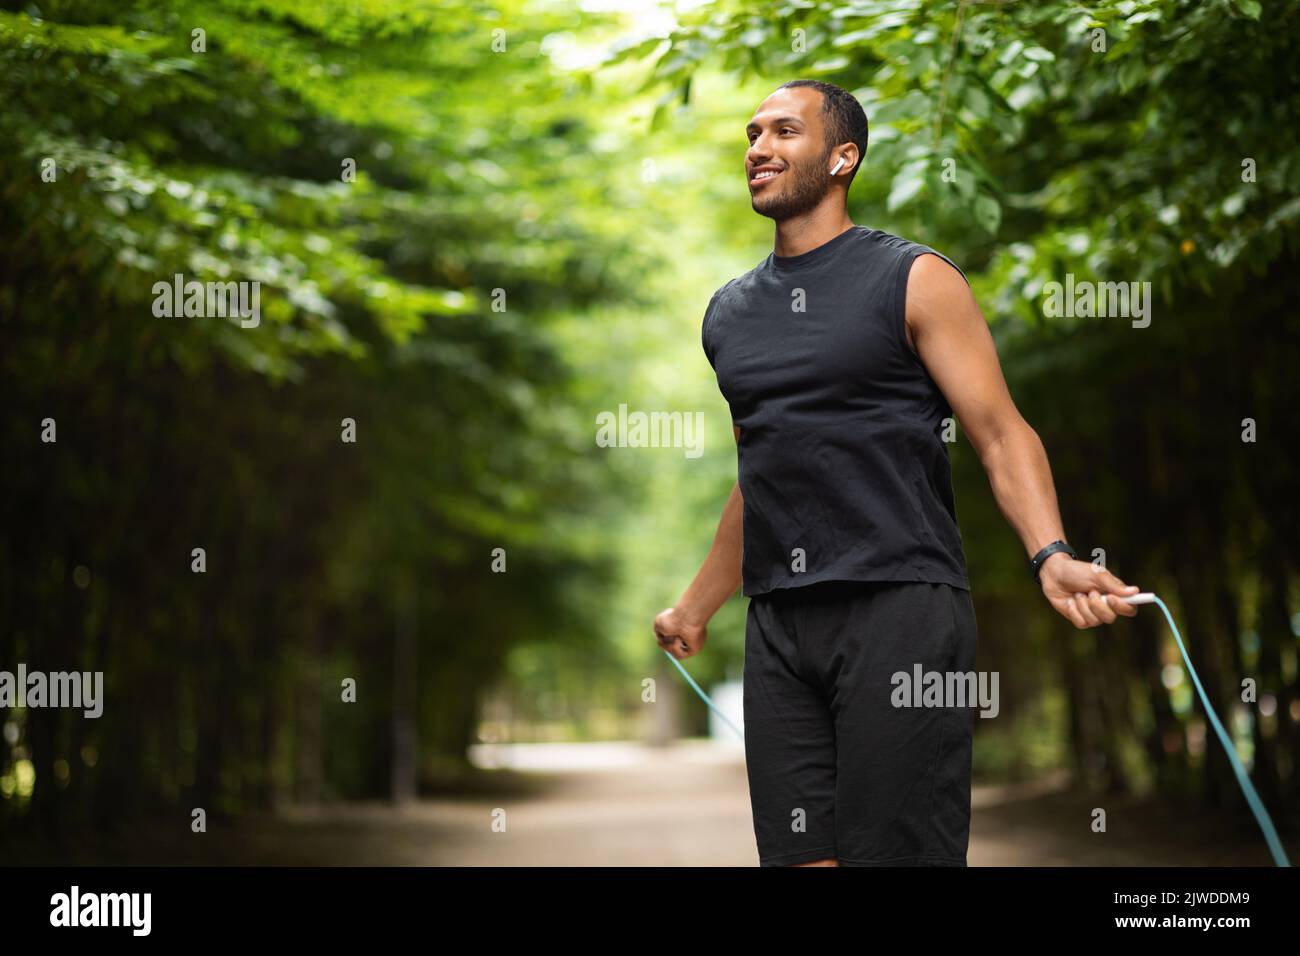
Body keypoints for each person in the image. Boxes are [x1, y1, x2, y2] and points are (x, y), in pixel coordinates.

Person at [653, 79, 1141, 867]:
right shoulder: (728, 314)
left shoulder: (914, 279)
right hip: (780, 624)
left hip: (901, 608)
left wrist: (1050, 554)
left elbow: (998, 431)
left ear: (843, 157)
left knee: (896, 855)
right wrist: (697, 606)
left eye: (784, 131)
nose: (757, 149)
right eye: (752, 134)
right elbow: (764, 471)